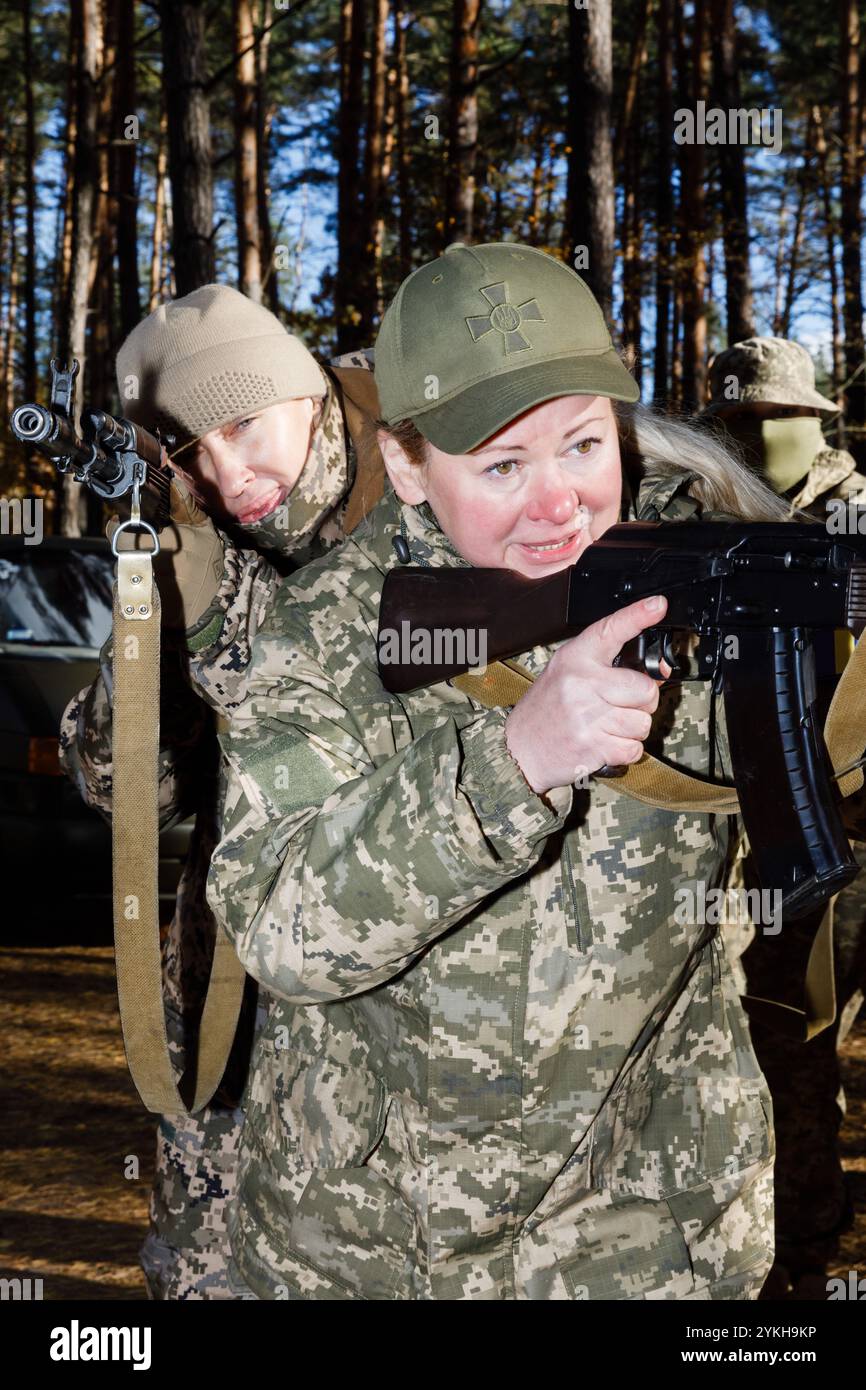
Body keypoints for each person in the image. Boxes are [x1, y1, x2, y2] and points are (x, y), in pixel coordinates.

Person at [205, 242, 789, 1301]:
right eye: (501, 466)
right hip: (366, 1256)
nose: (558, 502)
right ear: (413, 465)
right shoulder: (319, 637)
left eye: (580, 445)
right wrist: (510, 760)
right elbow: (281, 930)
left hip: (647, 1242)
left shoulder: (731, 573)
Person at [59, 283, 383, 1299]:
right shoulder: (203, 536)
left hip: (403, 1031)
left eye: (244, 424)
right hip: (229, 1021)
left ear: (311, 397)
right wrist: (162, 605)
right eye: (192, 449)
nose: (227, 471)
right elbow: (129, 789)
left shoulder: (423, 493)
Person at [702, 336, 866, 1299]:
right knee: (769, 1045)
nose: (752, 443)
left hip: (847, 835)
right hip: (749, 832)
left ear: (812, 423)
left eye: (768, 423)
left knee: (799, 1046)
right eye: (732, 427)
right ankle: (779, 1262)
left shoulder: (856, 521)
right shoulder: (707, 523)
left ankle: (801, 1257)